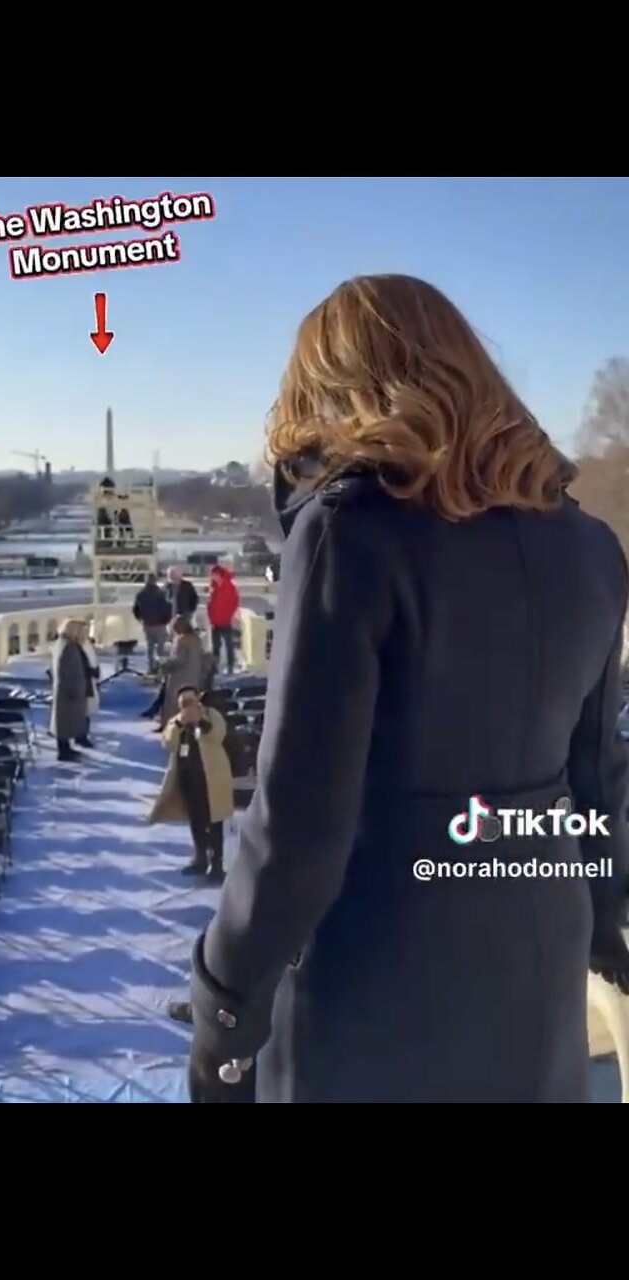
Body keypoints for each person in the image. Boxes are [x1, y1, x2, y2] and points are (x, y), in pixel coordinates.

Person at [187, 273, 629, 1105]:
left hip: (381, 965)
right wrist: (604, 916)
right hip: (539, 941)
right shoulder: (592, 547)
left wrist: (225, 1009)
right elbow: (599, 773)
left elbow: (299, 824)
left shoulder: (348, 535)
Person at [149, 686, 233, 881]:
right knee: (196, 820)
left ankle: (217, 864)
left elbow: (218, 735)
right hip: (188, 778)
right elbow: (168, 743)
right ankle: (200, 858)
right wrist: (180, 724)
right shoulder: (177, 722)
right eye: (184, 703)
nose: (188, 706)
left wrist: (201, 722)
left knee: (215, 821)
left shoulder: (211, 715)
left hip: (212, 778)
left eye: (190, 701)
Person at [50, 619, 94, 762]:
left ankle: (67, 748)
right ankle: (64, 752)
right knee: (65, 722)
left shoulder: (66, 644)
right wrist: (74, 690)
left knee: (67, 721)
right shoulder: (69, 647)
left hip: (69, 689)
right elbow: (67, 671)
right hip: (69, 690)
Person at [162, 616, 205, 727]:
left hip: (180, 676)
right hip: (195, 675)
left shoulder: (181, 640)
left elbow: (179, 660)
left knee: (173, 702)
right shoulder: (197, 639)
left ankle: (170, 725)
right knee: (191, 702)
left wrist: (165, 664)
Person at [133, 573, 172, 672]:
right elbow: (167, 609)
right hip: (160, 624)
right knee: (161, 648)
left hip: (147, 624)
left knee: (150, 646)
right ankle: (161, 668)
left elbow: (136, 610)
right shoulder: (161, 594)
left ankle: (151, 667)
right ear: (155, 581)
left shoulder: (140, 594)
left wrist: (140, 618)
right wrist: (166, 620)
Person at [207, 564, 240, 674]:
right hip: (214, 622)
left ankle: (230, 666)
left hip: (225, 621)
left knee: (229, 644)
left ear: (218, 574)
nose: (212, 577)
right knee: (215, 646)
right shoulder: (213, 586)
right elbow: (211, 604)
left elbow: (234, 602)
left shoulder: (229, 586)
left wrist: (229, 616)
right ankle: (214, 667)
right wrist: (211, 618)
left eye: (213, 574)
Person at [81, 625, 100, 748]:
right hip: (82, 681)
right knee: (82, 709)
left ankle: (83, 734)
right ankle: (81, 736)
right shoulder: (75, 646)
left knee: (86, 710)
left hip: (89, 680)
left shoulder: (86, 644)